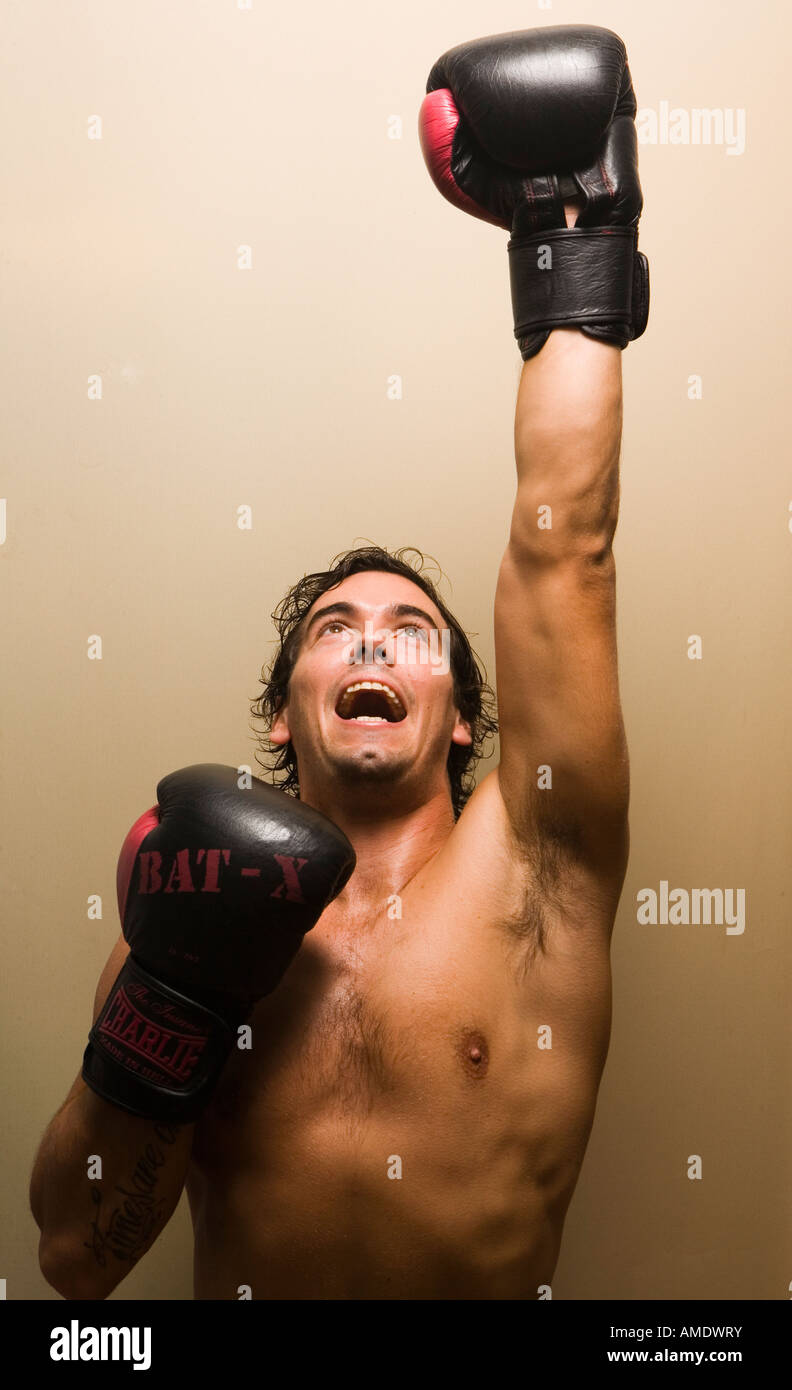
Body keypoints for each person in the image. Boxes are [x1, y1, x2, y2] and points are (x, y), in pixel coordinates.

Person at [30, 22, 647, 1300]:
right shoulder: (192, 898)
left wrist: (574, 237)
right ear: (284, 717)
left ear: (467, 722)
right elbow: (75, 1261)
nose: (372, 639)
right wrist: (176, 997)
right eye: (335, 631)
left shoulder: (537, 865)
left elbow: (563, 549)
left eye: (411, 631)